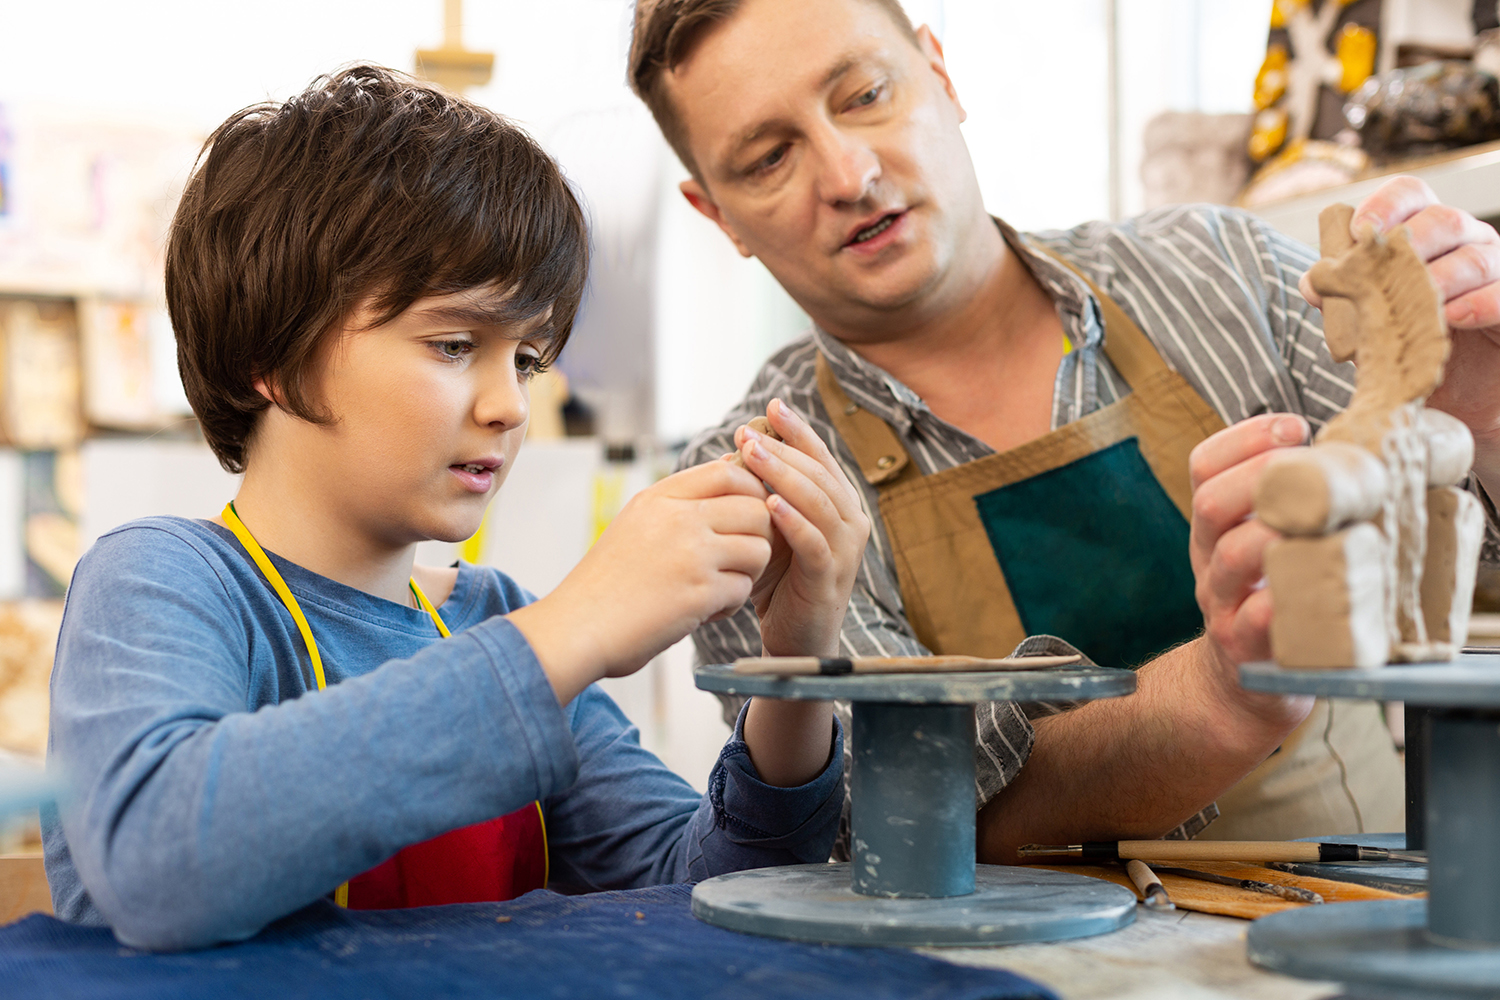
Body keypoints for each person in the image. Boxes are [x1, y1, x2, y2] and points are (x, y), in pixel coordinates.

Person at [628, 0, 1500, 849]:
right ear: (718, 214)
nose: (848, 176)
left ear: (940, 73)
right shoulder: (759, 487)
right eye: (770, 158)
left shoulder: (1226, 274)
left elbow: (1476, 541)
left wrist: (1485, 410)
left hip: (1351, 943)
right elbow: (882, 819)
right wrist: (1219, 695)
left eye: (864, 95)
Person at [41, 65, 870, 951]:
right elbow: (159, 864)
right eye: (453, 344)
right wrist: (571, 631)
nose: (510, 406)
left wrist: (795, 665)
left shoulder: (492, 615)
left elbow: (702, 896)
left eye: (525, 358)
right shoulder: (164, 580)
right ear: (272, 359)